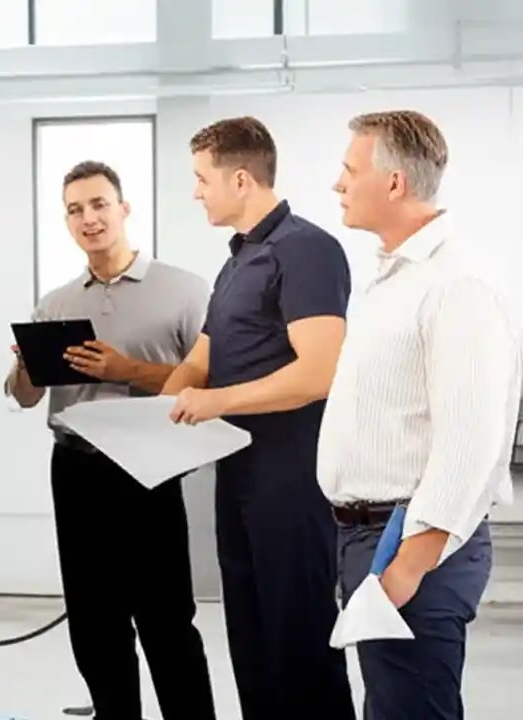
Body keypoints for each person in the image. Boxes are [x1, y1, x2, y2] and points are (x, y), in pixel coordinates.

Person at [318, 109, 520, 720]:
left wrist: (409, 563)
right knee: (389, 705)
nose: (338, 183)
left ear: (395, 183)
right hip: (366, 537)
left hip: (409, 543)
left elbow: (470, 440)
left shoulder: (455, 282)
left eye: (350, 170)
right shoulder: (391, 278)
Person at [6, 160, 216, 720]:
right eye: (75, 210)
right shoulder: (55, 305)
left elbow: (211, 382)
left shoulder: (184, 291)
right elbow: (26, 396)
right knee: (93, 618)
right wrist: (26, 366)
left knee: (165, 616)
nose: (89, 218)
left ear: (124, 209)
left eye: (99, 204)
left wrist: (122, 369)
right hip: (75, 469)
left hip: (149, 465)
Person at [161, 116, 356, 720]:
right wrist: (156, 411)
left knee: (298, 640)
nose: (196, 192)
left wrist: (217, 401)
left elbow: (319, 372)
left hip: (291, 477)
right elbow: (200, 360)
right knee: (250, 638)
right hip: (238, 476)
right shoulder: (236, 264)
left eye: (202, 179)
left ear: (240, 179)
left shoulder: (307, 250)